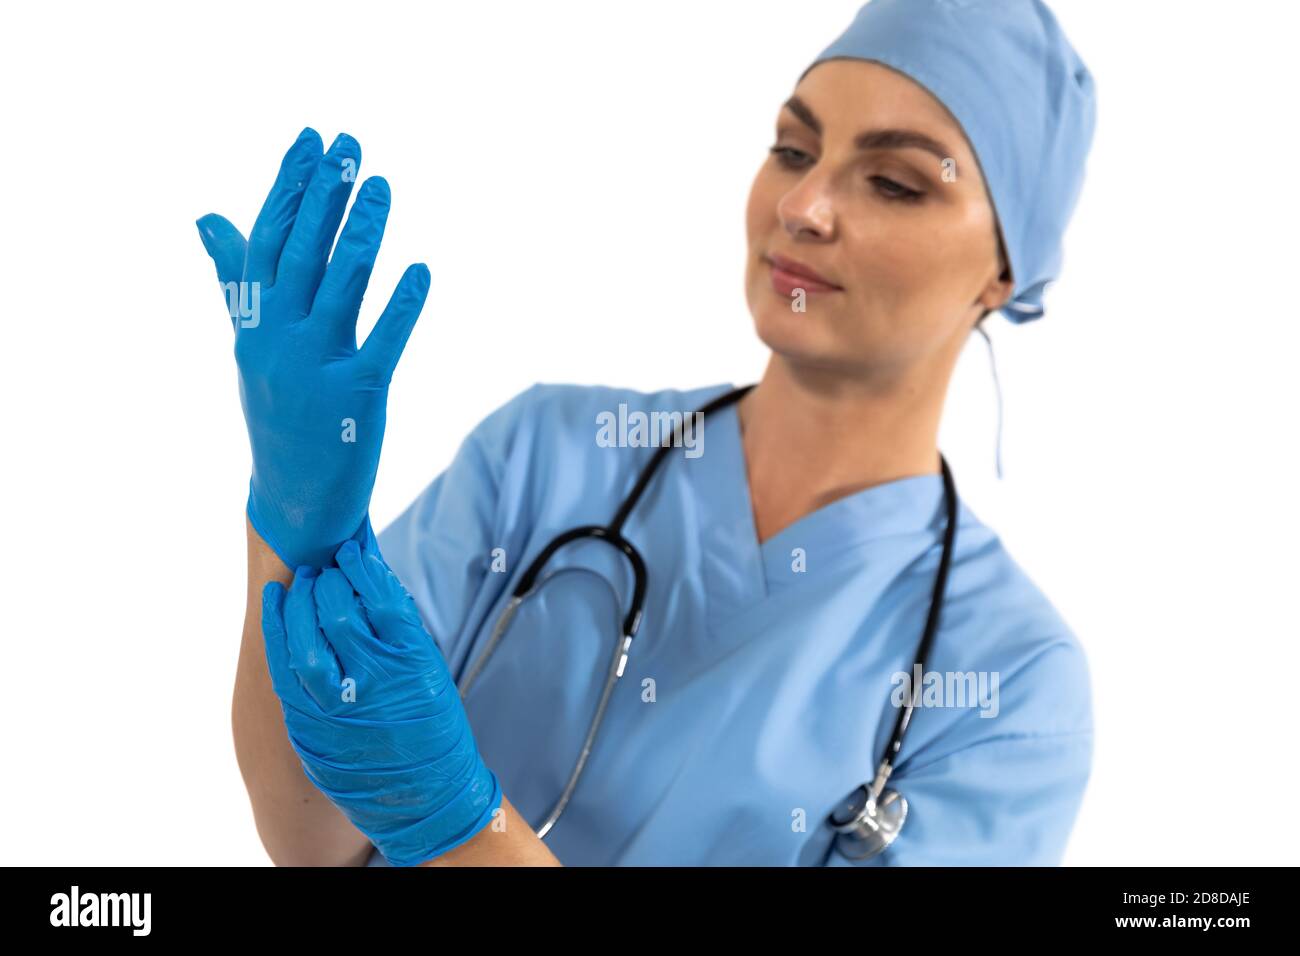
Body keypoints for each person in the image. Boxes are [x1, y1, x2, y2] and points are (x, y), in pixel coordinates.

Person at [198, 0, 1097, 866]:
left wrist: (455, 821)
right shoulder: (546, 455)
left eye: (896, 183)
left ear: (1005, 272)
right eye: (793, 148)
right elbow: (315, 842)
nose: (805, 205)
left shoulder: (1011, 684)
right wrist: (293, 530)